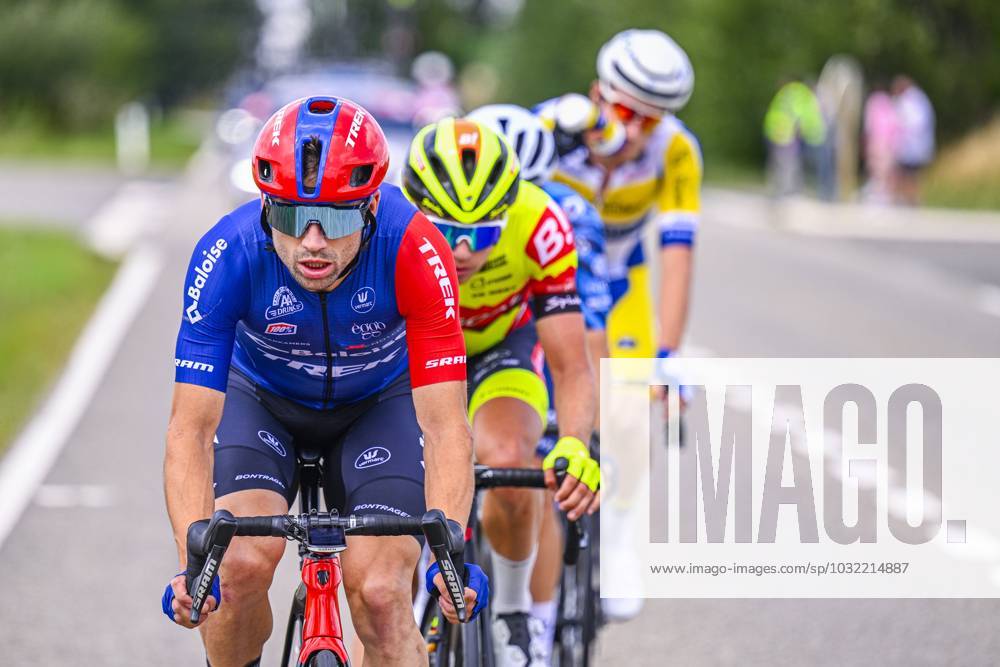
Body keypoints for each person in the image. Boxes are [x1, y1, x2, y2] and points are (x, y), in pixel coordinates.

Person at [162, 96, 487, 667]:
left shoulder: (415, 246)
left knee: (385, 595)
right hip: (261, 403)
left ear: (368, 208)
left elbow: (444, 428)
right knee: (234, 570)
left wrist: (448, 551)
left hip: (377, 406)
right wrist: (196, 565)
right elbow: (189, 430)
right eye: (290, 216)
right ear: (265, 206)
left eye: (335, 219)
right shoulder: (227, 251)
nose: (312, 240)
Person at [403, 117, 599, 666]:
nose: (463, 251)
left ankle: (514, 613)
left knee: (512, 463)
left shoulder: (540, 225)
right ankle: (418, 585)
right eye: (446, 232)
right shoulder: (388, 226)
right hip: (412, 348)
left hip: (501, 349)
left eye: (483, 233)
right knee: (401, 470)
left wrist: (576, 445)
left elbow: (571, 364)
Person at [466, 102, 610, 662]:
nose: (467, 243)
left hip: (518, 343)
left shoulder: (555, 216)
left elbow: (582, 344)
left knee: (524, 467)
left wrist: (580, 433)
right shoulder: (414, 216)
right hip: (438, 344)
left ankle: (528, 623)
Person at [763, 78, 828, 197]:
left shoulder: (790, 90)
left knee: (778, 163)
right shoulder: (803, 95)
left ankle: (778, 191)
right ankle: (786, 193)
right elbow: (803, 119)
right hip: (785, 132)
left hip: (773, 128)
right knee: (788, 164)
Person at [891, 75, 935, 205]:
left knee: (909, 175)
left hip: (912, 146)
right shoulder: (918, 98)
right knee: (909, 175)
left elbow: (913, 123)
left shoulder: (912, 100)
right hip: (914, 146)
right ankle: (909, 200)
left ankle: (911, 200)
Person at [862, 82, 900, 204]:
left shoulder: (872, 102)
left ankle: (877, 195)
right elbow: (896, 123)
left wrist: (866, 139)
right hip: (889, 141)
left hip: (876, 139)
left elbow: (868, 124)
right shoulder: (890, 102)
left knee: (875, 168)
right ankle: (885, 195)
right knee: (886, 169)